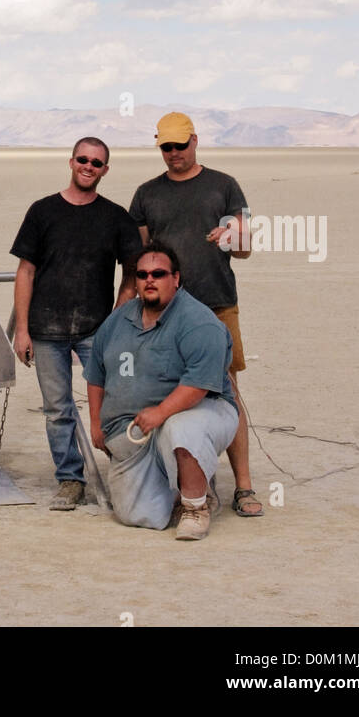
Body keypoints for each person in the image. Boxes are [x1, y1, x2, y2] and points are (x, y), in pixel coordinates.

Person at [127, 111, 262, 517]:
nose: (173, 154)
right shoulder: (147, 194)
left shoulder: (223, 186)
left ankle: (243, 487)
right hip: (163, 314)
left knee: (226, 392)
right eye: (165, 147)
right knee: (166, 393)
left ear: (195, 141)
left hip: (217, 306)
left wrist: (232, 236)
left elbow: (244, 247)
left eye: (179, 146)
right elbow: (140, 258)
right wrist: (128, 303)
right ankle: (181, 485)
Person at [11, 136, 142, 510]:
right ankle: (70, 480)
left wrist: (119, 316)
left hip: (97, 332)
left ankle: (127, 473)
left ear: (105, 169)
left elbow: (132, 272)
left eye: (96, 162)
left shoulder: (116, 217)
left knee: (117, 401)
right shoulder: (42, 212)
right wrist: (22, 329)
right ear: (71, 162)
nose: (89, 166)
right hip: (46, 331)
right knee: (58, 409)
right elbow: (26, 271)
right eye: (83, 159)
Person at [86, 243, 239, 540]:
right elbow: (96, 374)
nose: (149, 280)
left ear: (176, 278)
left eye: (159, 273)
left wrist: (160, 413)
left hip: (202, 413)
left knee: (179, 427)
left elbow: (197, 386)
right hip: (135, 432)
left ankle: (196, 505)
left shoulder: (199, 322)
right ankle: (187, 480)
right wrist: (96, 423)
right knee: (138, 515)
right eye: (142, 274)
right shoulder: (118, 320)